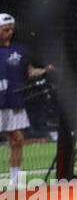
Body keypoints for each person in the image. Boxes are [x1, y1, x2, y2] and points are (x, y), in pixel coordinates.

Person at [0, 13, 53, 187]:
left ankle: (15, 180)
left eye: (11, 29)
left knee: (17, 140)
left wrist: (44, 70)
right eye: (5, 29)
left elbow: (29, 71)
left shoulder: (20, 50)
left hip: (14, 101)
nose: (9, 32)